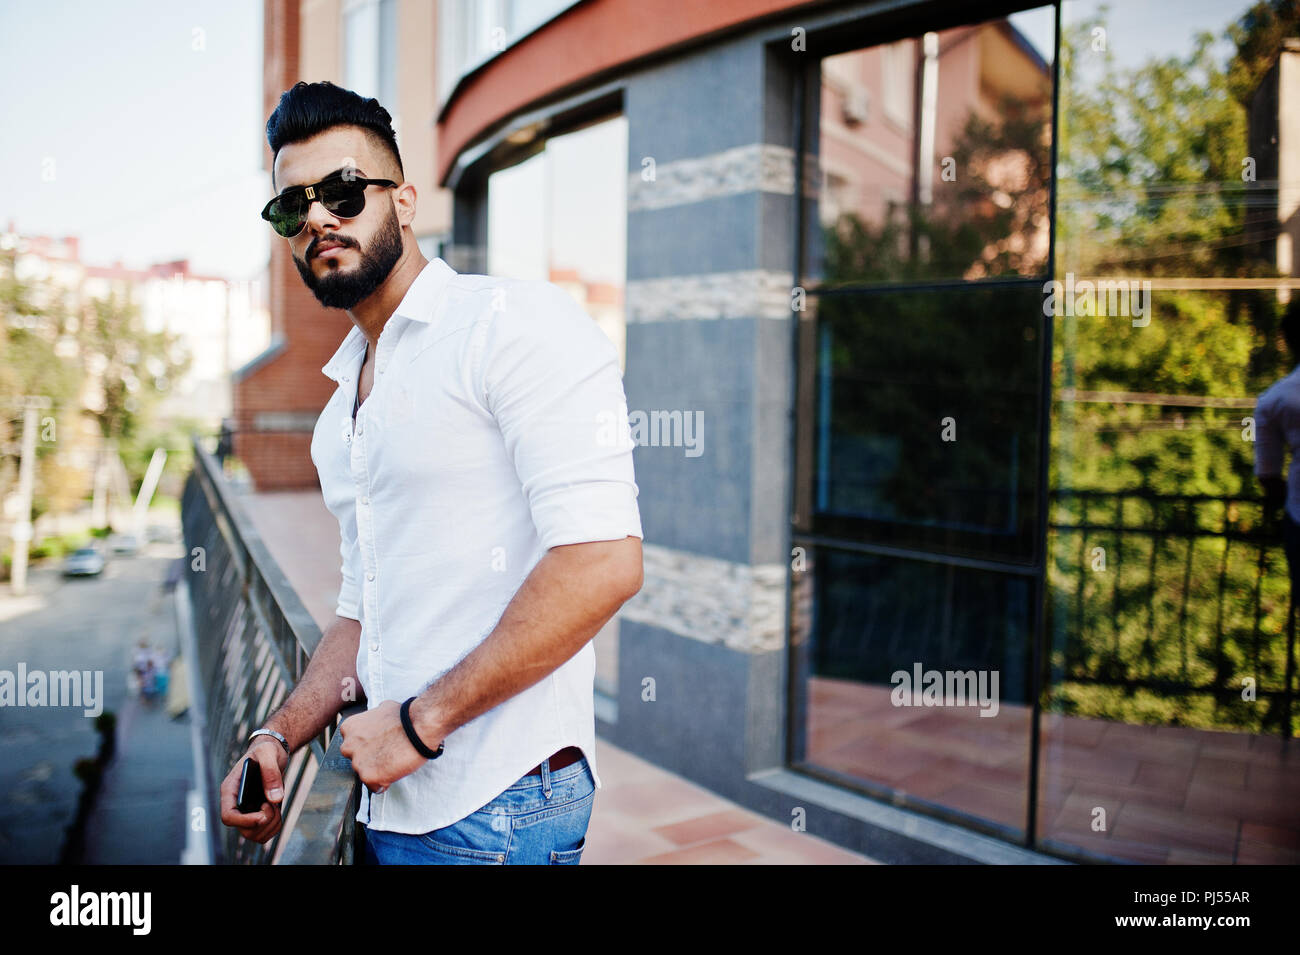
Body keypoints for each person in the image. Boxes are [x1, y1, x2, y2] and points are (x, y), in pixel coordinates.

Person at [218, 81, 643, 864]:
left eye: (342, 193)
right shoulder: (338, 408)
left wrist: (420, 722)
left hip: (500, 806)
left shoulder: (513, 326)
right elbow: (361, 612)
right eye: (291, 207)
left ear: (405, 202)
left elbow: (603, 560)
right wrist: (279, 733)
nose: (317, 218)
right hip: (393, 801)